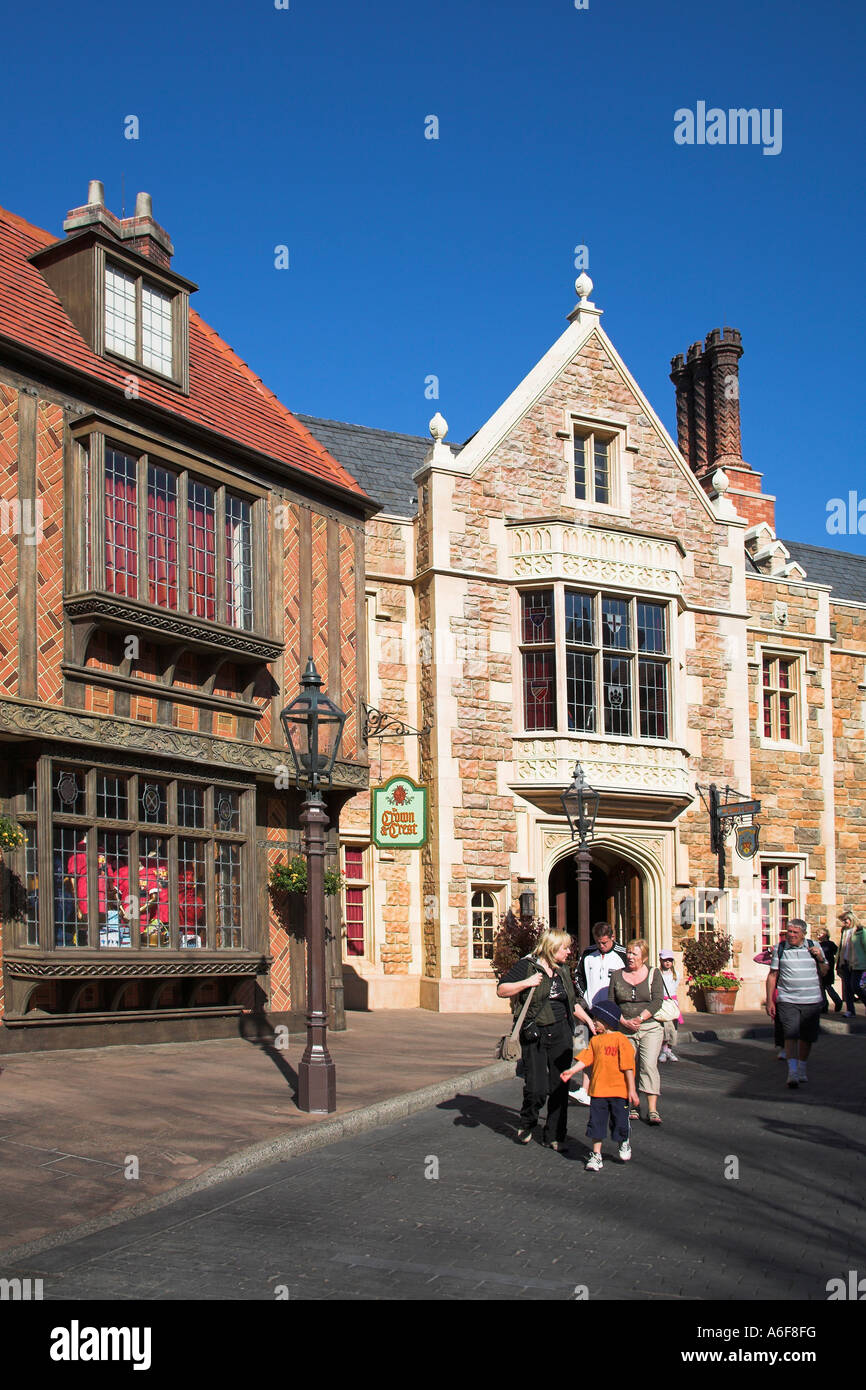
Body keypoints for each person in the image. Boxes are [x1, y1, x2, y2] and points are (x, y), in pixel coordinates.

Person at [497, 929, 596, 1149]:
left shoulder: (563, 971)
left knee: (560, 1085)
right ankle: (528, 1121)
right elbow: (502, 990)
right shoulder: (528, 966)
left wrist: (588, 1022)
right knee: (537, 1087)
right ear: (552, 948)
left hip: (561, 1032)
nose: (569, 952)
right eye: (565, 948)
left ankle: (555, 1135)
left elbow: (572, 1003)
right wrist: (527, 982)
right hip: (535, 1033)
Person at [560, 999, 639, 1171]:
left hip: (619, 1092)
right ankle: (596, 1155)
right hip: (598, 1091)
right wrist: (572, 1071)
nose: (594, 1022)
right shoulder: (595, 1041)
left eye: (596, 1019)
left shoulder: (621, 1040)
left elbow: (628, 1067)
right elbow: (587, 1058)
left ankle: (623, 1141)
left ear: (607, 1021)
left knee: (620, 1122)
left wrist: (631, 1090)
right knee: (596, 1123)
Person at [765, 918, 828, 1088]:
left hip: (811, 1000)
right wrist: (770, 1001)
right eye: (789, 932)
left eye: (795, 933)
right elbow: (772, 975)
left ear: (803, 934)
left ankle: (802, 1068)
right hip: (787, 999)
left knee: (807, 1037)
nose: (791, 936)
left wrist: (820, 958)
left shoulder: (814, 946)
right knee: (790, 1034)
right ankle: (792, 1072)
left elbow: (824, 971)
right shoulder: (781, 948)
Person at [609, 938, 665, 1124]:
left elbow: (657, 1000)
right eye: (629, 953)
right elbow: (611, 1003)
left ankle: (652, 1109)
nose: (630, 957)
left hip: (649, 1027)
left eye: (634, 954)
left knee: (648, 1065)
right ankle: (632, 1104)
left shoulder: (653, 974)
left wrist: (640, 1018)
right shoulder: (617, 975)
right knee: (628, 1066)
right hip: (624, 1027)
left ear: (644, 957)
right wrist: (623, 1020)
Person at [571, 922, 627, 1105]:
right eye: (598, 942)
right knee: (582, 1047)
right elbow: (578, 976)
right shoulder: (588, 953)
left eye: (604, 942)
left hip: (610, 1013)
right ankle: (584, 1089)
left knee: (606, 1052)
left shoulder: (622, 955)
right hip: (589, 1008)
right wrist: (583, 995)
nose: (601, 946)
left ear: (612, 938)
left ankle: (608, 1088)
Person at [837, 912, 866, 1017]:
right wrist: (839, 961)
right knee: (847, 988)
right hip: (845, 962)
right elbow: (842, 947)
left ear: (851, 919)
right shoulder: (844, 931)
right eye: (843, 921)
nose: (844, 923)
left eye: (846, 920)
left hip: (858, 963)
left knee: (856, 986)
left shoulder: (861, 931)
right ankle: (850, 1010)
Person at [658, 949, 680, 1061]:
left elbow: (675, 987)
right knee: (664, 1027)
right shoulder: (658, 974)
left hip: (672, 1003)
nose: (667, 962)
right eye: (665, 960)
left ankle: (669, 1050)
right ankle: (663, 1050)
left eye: (670, 960)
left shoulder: (675, 975)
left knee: (673, 1028)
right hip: (663, 1003)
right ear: (661, 960)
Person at [817, 928, 842, 1013]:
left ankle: (837, 1001)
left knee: (828, 986)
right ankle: (824, 1006)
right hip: (820, 968)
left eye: (820, 934)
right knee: (822, 988)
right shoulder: (818, 945)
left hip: (829, 968)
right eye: (817, 934)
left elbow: (837, 953)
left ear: (825, 935)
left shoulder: (830, 944)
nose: (818, 936)